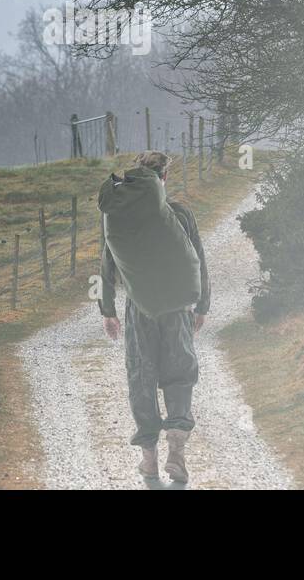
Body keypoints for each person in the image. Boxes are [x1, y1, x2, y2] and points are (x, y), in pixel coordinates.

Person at [97, 150, 210, 483]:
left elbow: (107, 265)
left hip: (138, 309)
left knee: (141, 378)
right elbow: (198, 261)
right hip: (177, 308)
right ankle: (177, 449)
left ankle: (149, 459)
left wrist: (108, 311)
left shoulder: (119, 217)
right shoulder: (181, 213)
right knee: (179, 372)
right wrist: (202, 305)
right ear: (164, 178)